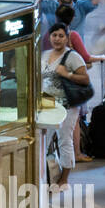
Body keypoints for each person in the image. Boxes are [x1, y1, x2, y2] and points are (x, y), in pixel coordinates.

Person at [42, 24, 89, 189]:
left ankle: (64, 179)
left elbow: (85, 79)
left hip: (67, 106)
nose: (57, 39)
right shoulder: (45, 55)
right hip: (46, 105)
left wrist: (68, 74)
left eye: (61, 35)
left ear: (67, 38)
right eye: (54, 35)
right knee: (44, 140)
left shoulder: (73, 57)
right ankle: (46, 176)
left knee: (64, 139)